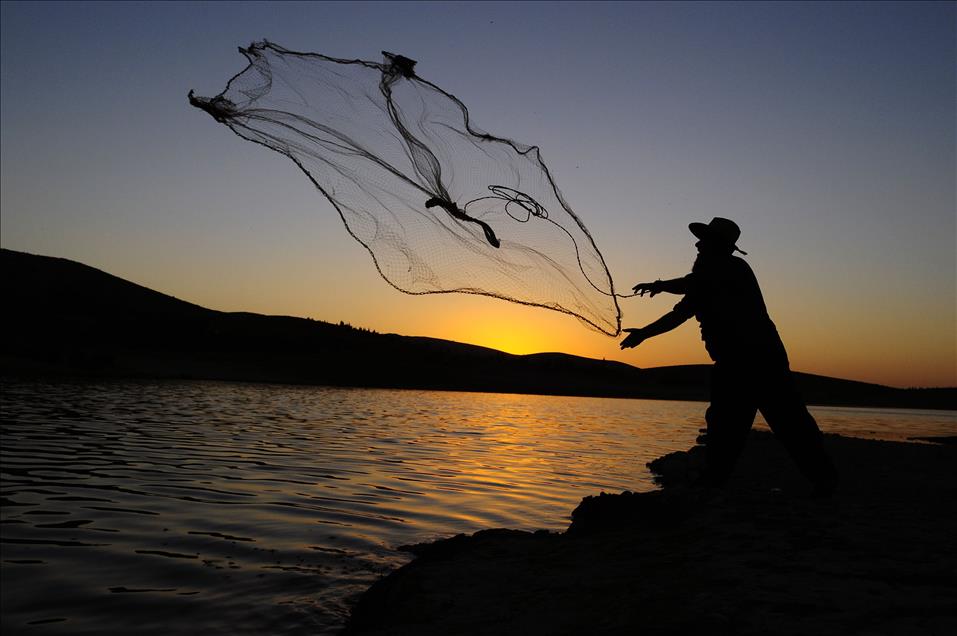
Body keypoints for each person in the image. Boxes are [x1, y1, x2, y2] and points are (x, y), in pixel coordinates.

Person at [621, 218, 837, 495]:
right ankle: (822, 480)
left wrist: (643, 333)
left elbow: (681, 310)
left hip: (750, 361)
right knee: (760, 423)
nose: (697, 244)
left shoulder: (722, 272)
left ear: (718, 246)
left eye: (704, 240)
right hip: (753, 359)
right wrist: (659, 285)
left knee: (764, 423)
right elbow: (689, 284)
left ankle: (718, 481)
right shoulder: (728, 269)